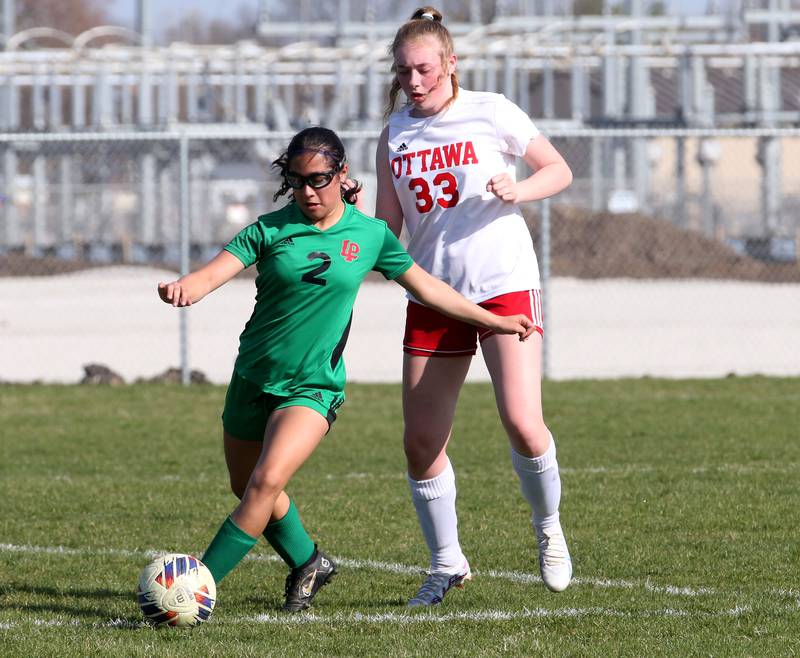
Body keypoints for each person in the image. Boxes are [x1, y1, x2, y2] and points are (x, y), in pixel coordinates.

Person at [157, 126, 535, 613]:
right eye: (297, 182)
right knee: (246, 485)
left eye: (318, 179)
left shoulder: (370, 235)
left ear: (342, 175)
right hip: (251, 379)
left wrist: (493, 320)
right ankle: (309, 561)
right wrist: (186, 288)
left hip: (312, 388)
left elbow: (430, 289)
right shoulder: (268, 229)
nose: (308, 192)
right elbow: (212, 273)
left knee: (265, 484)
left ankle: (195, 586)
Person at [374, 7, 575, 607]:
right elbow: (388, 224)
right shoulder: (395, 133)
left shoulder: (491, 110)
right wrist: (347, 222)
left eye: (425, 69)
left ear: (451, 64)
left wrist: (520, 188)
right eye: (405, 71)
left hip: (504, 281)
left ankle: (549, 529)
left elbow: (558, 169)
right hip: (435, 293)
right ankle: (446, 564)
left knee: (521, 420)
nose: (414, 81)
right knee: (420, 442)